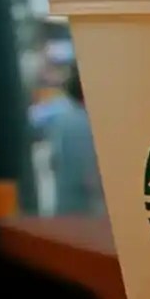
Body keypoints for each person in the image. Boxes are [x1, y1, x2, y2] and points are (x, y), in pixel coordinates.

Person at [46, 66, 104, 216]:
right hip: (94, 209)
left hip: (67, 208)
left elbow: (54, 162)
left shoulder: (61, 121)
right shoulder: (96, 122)